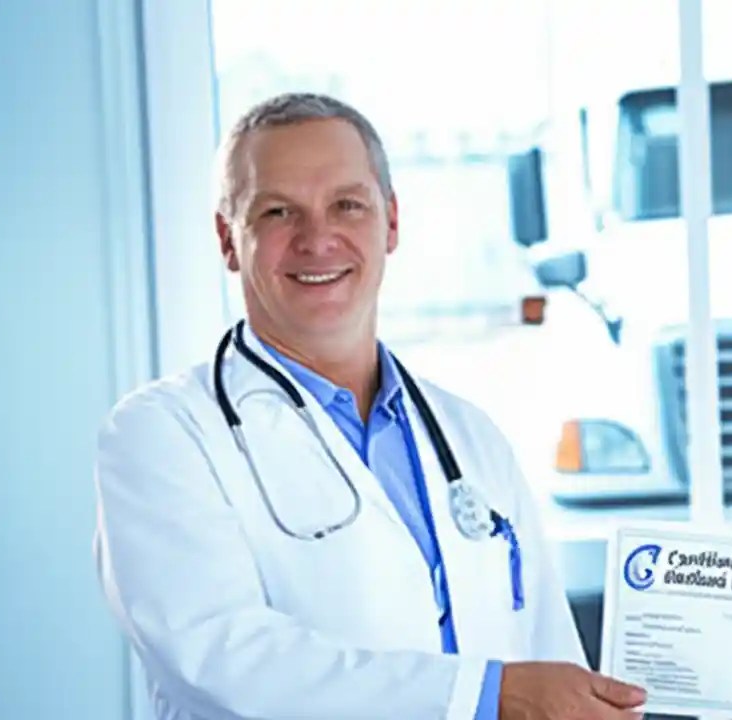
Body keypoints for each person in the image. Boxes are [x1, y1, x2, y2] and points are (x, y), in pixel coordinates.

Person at [93, 92, 646, 719]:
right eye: (278, 212)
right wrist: (486, 696)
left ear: (391, 222)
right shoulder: (162, 435)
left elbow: (550, 660)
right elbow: (220, 656)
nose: (317, 238)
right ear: (228, 238)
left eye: (346, 205)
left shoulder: (469, 436)